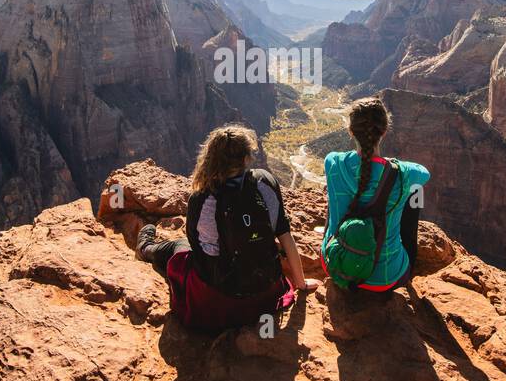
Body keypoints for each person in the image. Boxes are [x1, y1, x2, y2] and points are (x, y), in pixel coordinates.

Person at [136, 125, 322, 331]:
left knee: (180, 246)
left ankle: (145, 247)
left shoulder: (202, 197)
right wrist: (301, 284)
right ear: (246, 158)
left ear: (211, 159)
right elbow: (285, 236)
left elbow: (197, 249)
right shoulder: (265, 182)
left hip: (221, 299)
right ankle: (147, 247)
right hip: (266, 292)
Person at [322, 96, 431, 293]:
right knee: (415, 189)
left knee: (335, 190)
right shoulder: (403, 173)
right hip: (386, 277)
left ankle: (339, 239)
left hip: (337, 264)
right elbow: (424, 173)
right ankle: (408, 264)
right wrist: (391, 164)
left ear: (350, 130)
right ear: (385, 131)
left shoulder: (333, 162)